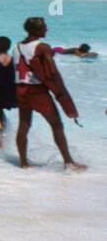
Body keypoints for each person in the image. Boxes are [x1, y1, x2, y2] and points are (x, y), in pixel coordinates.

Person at [14, 17, 84, 170]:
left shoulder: (17, 46)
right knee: (57, 125)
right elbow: (53, 72)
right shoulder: (42, 47)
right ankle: (69, 162)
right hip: (36, 91)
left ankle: (24, 163)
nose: (47, 29)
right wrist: (62, 93)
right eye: (44, 27)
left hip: (20, 89)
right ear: (37, 30)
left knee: (24, 125)